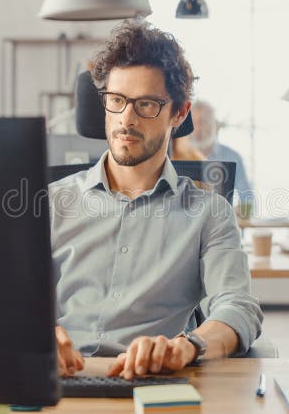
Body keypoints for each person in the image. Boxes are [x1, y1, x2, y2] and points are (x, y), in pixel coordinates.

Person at [48, 20, 263, 380]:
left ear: (178, 113)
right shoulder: (50, 204)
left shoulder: (209, 213)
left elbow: (237, 306)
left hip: (151, 383)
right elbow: (3, 302)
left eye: (146, 104)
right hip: (59, 382)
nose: (126, 119)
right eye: (116, 100)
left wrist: (187, 345)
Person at [174, 100, 253, 205]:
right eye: (194, 123)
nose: (197, 129)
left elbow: (247, 199)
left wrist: (235, 211)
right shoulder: (178, 156)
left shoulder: (233, 157)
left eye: (203, 122)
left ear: (214, 125)